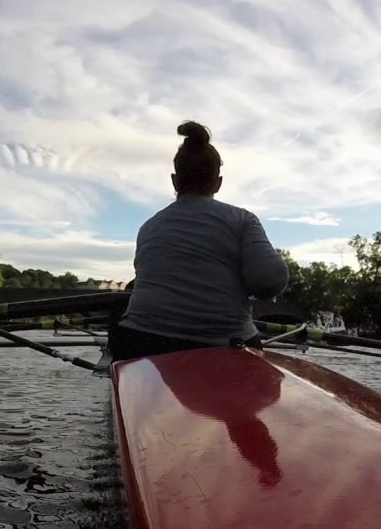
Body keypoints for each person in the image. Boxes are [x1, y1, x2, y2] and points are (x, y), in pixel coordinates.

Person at [108, 121, 289, 362]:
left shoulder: (149, 227)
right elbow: (269, 283)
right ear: (218, 182)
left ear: (174, 181)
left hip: (141, 343)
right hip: (222, 345)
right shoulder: (243, 220)